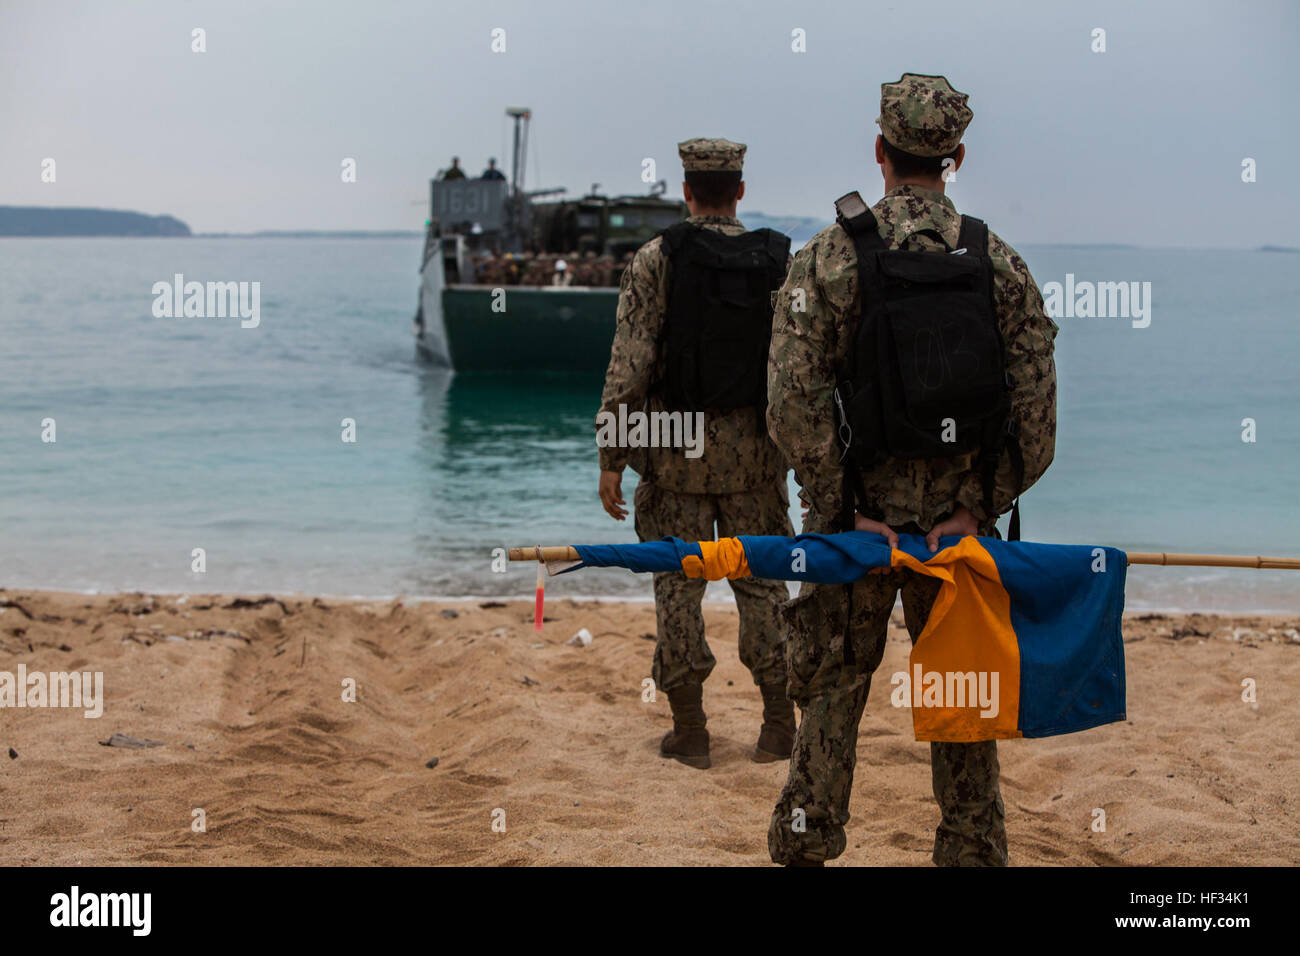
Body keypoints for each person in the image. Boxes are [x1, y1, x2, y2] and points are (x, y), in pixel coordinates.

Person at [765, 74, 1059, 865]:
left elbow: (792, 406)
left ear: (878, 150)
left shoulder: (826, 258)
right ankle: (968, 848)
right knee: (961, 706)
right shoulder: (998, 263)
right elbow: (1036, 419)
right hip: (955, 537)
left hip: (855, 529)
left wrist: (839, 510)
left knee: (830, 694)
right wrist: (979, 506)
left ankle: (808, 842)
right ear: (955, 157)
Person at [596, 138, 796, 770]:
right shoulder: (777, 258)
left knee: (677, 586)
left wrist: (612, 454)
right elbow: (797, 367)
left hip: (672, 451)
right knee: (760, 584)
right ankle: (777, 727)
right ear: (739, 190)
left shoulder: (657, 258)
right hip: (757, 458)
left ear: (686, 190)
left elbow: (631, 363)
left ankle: (692, 732)